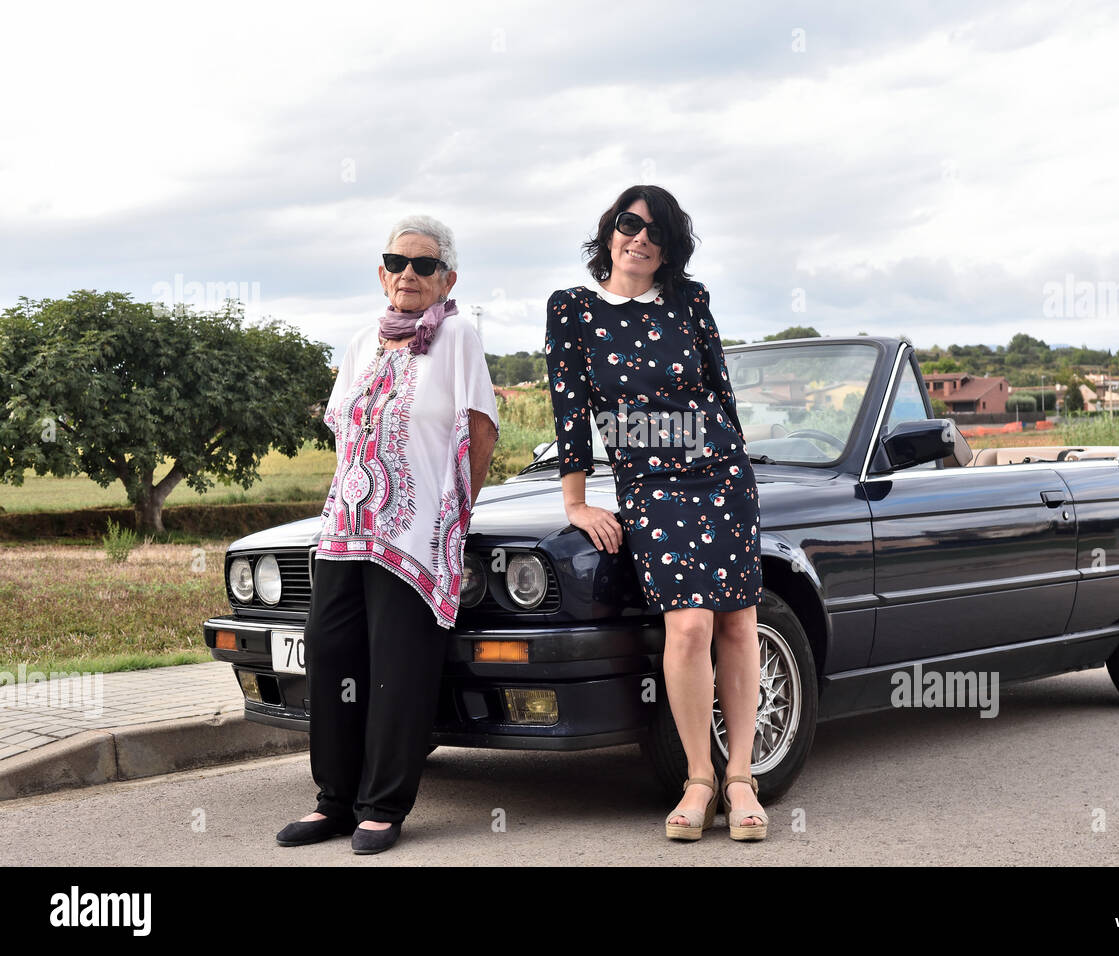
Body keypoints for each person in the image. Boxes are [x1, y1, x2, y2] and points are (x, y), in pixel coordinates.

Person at [544, 185, 769, 841]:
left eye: (656, 232)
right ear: (608, 232)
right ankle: (700, 777)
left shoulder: (690, 302)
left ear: (669, 249)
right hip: (651, 484)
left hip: (722, 475)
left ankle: (742, 780)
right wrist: (576, 501)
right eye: (628, 224)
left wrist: (740, 468)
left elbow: (719, 391)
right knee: (691, 625)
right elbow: (570, 412)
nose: (639, 238)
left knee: (737, 623)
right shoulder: (574, 310)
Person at [275, 215, 500, 854]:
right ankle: (333, 802)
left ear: (447, 278)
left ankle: (382, 805)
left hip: (414, 535)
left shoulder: (456, 336)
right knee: (331, 652)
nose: (409, 275)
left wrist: (454, 514)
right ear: (381, 274)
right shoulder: (361, 341)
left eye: (424, 265)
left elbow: (479, 427)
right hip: (346, 530)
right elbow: (344, 429)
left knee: (397, 668)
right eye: (397, 263)